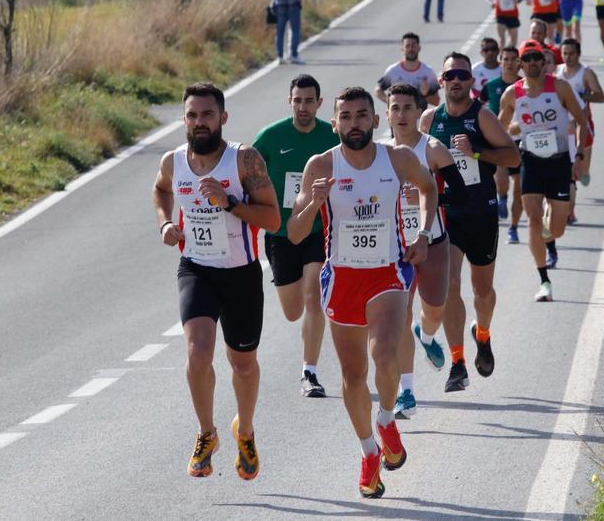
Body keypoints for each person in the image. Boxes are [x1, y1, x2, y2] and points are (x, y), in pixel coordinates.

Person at [287, 86, 437, 498]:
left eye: (361, 115)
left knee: (385, 356)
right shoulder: (320, 166)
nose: (354, 124)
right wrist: (312, 205)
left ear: (375, 119)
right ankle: (370, 451)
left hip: (388, 273)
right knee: (353, 376)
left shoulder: (398, 158)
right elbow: (295, 232)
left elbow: (429, 188)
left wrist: (423, 233)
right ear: (334, 123)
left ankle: (387, 418)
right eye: (346, 117)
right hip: (343, 279)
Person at [152, 82, 281, 480]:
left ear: (223, 118)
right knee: (198, 353)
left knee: (242, 363)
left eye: (207, 115)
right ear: (184, 120)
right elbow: (160, 190)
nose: (199, 122)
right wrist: (167, 222)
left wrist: (229, 203)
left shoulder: (244, 160)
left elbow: (274, 220)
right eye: (192, 115)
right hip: (196, 269)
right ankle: (206, 433)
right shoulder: (174, 162)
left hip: (241, 274)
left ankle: (244, 430)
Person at [420, 53, 520, 392]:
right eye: (450, 76)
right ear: (442, 81)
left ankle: (483, 333)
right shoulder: (430, 119)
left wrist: (476, 151)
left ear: (471, 81)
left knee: (483, 292)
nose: (456, 81)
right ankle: (457, 361)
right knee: (450, 285)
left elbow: (512, 155)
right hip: (448, 215)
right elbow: (415, 161)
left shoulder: (483, 117)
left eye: (462, 74)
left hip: (481, 212)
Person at [383, 83, 469, 418]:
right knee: (400, 317)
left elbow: (461, 195)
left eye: (408, 108)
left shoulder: (433, 149)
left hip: (432, 243)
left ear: (420, 112)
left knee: (434, 311)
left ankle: (428, 334)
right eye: (395, 108)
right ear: (387, 113)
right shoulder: (378, 153)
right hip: (394, 249)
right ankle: (407, 391)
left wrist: (424, 198)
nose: (401, 115)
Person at [252, 74, 341, 399]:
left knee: (314, 295)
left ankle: (310, 371)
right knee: (293, 311)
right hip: (280, 232)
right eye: (298, 100)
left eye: (309, 101)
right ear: (289, 101)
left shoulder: (329, 137)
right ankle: (308, 361)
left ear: (319, 103)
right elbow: (246, 172)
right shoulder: (271, 137)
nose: (303, 107)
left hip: (320, 229)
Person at [497, 41, 588, 302]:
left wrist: (579, 154)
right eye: (528, 58)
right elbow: (499, 126)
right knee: (533, 221)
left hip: (559, 161)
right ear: (520, 64)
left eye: (538, 57)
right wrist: (504, 146)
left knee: (556, 229)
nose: (533, 62)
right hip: (531, 161)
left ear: (544, 61)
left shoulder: (559, 87)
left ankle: (552, 229)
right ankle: (544, 281)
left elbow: (582, 122)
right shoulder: (512, 94)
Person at [556, 38, 604, 218]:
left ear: (578, 54)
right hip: (564, 126)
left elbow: (601, 97)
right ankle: (571, 211)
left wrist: (580, 96)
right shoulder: (557, 72)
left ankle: (583, 172)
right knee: (569, 172)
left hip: (583, 124)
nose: (568, 57)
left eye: (571, 54)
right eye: (565, 54)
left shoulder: (586, 73)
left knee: (581, 171)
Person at [484, 45, 525, 239]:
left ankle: (513, 228)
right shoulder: (491, 85)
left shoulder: (526, 85)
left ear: (519, 63)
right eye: (505, 59)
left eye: (513, 59)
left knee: (520, 187)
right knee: (500, 178)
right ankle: (501, 197)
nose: (509, 63)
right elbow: (478, 106)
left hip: (523, 141)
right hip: (499, 140)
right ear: (500, 62)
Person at [378, 32, 440, 107]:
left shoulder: (428, 72)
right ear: (402, 49)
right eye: (407, 46)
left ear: (419, 48)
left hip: (419, 117)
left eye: (413, 45)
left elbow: (436, 102)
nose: (411, 49)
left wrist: (426, 94)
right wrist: (392, 102)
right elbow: (378, 91)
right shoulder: (393, 70)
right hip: (397, 117)